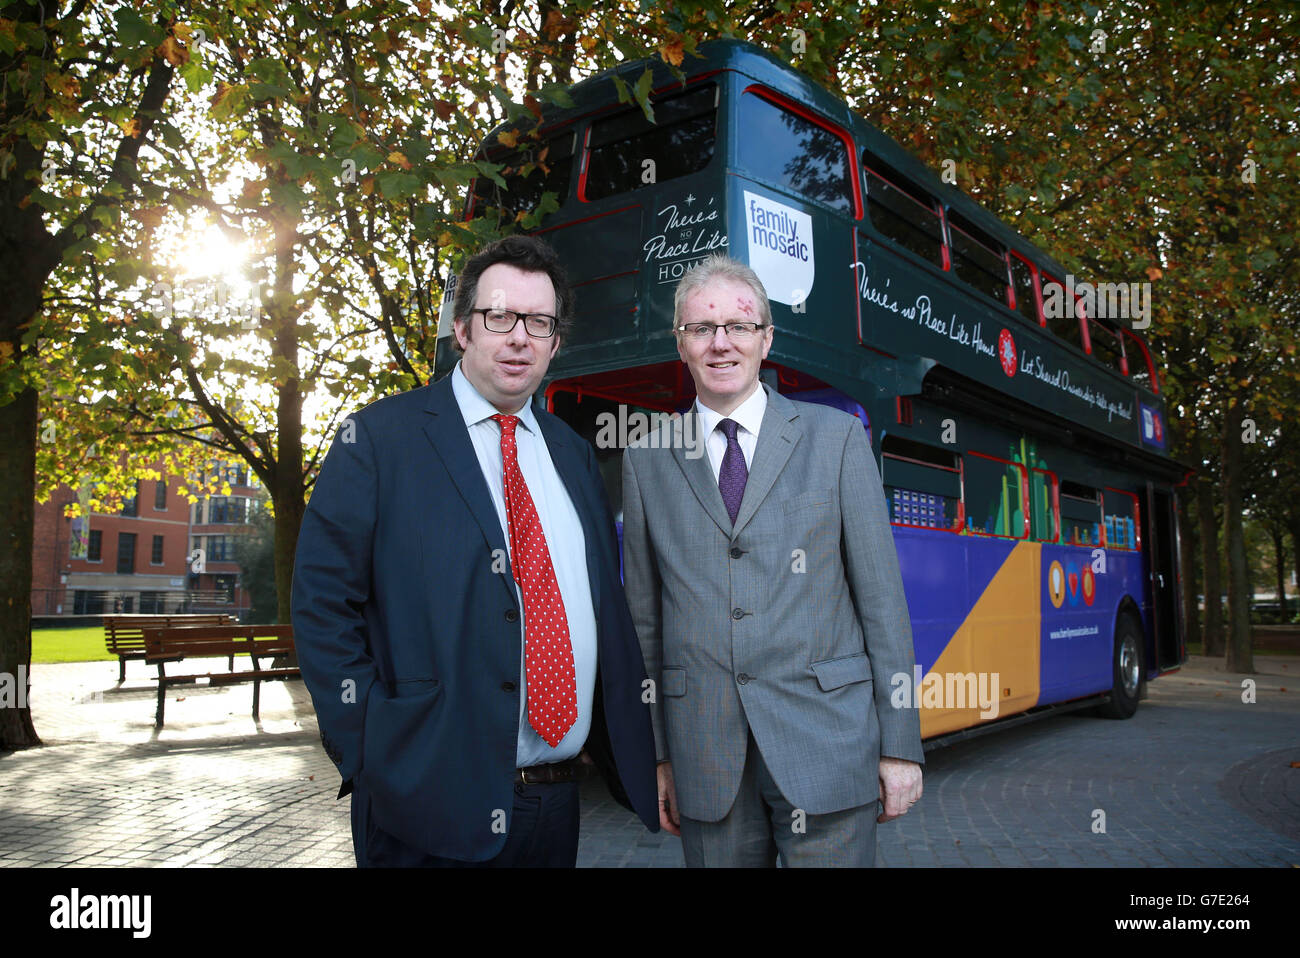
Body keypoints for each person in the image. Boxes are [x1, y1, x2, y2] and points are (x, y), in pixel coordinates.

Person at [292, 234, 659, 866]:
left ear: (555, 341)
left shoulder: (572, 454)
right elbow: (323, 606)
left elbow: (596, 605)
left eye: (539, 322)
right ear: (462, 329)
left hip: (555, 805)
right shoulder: (380, 440)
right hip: (425, 803)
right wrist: (370, 748)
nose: (520, 336)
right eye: (499, 317)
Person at [621, 254, 924, 867]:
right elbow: (644, 623)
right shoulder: (647, 457)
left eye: (738, 326)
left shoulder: (836, 438)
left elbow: (882, 603)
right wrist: (656, 755)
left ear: (766, 339)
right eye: (701, 329)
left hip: (829, 744)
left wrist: (900, 747)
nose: (721, 343)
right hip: (703, 755)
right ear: (680, 343)